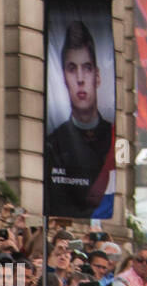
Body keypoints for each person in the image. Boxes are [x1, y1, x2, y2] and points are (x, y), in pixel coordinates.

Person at [45, 20, 114, 218]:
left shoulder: (113, 138)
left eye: (87, 68)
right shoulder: (52, 144)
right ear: (64, 78)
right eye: (72, 68)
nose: (81, 79)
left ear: (97, 76)